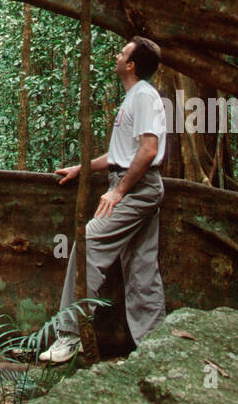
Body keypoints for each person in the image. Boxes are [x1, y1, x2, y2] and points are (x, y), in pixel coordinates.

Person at [40, 35, 167, 364]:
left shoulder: (143, 96)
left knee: (87, 244)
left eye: (122, 52)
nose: (116, 54)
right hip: (134, 183)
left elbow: (149, 150)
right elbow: (119, 153)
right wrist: (82, 168)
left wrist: (118, 190)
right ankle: (155, 346)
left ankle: (69, 336)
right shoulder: (133, 98)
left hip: (137, 188)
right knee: (141, 265)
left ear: (131, 65)